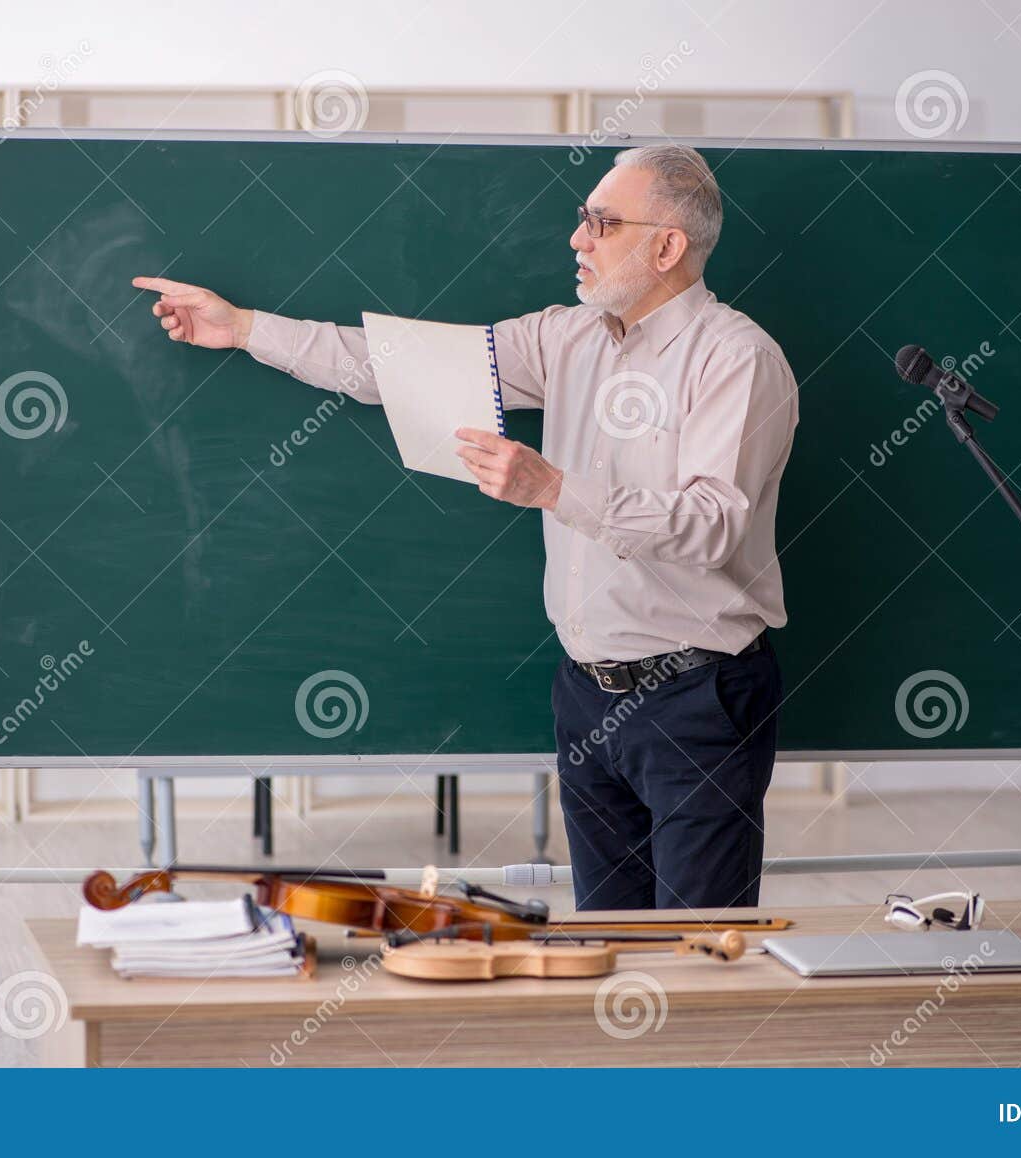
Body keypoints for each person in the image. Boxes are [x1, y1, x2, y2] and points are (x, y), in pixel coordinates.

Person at [130, 143, 798, 911]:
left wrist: (554, 488)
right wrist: (246, 328)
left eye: (602, 223)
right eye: (582, 219)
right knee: (606, 939)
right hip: (586, 693)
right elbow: (395, 366)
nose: (577, 239)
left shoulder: (736, 359)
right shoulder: (564, 338)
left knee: (701, 945)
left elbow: (712, 527)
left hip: (697, 696)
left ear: (668, 247)